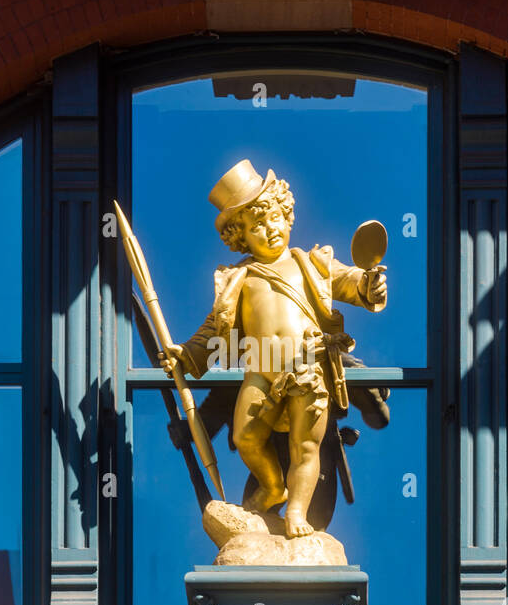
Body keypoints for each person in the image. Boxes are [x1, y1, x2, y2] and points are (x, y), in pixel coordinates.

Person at [162, 159, 387, 538]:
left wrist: (369, 286)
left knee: (305, 446)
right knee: (245, 436)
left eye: (273, 218)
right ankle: (272, 485)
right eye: (255, 227)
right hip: (262, 367)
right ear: (241, 238)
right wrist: (186, 354)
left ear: (286, 213)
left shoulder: (311, 264)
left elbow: (351, 282)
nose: (269, 230)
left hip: (308, 366)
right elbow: (212, 331)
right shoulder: (238, 279)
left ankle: (296, 512)